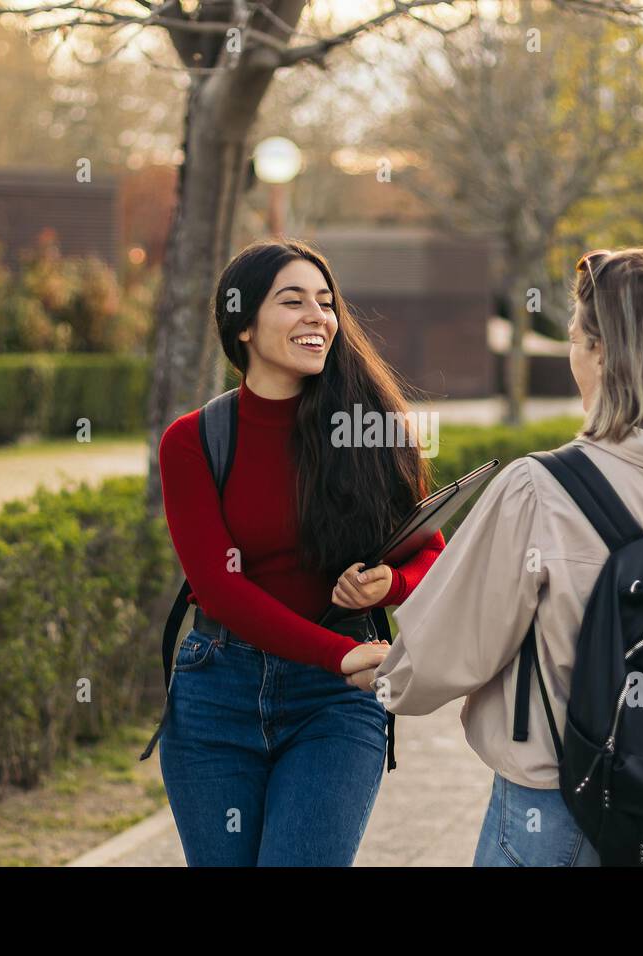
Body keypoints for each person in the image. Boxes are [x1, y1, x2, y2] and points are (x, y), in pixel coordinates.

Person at [353, 247, 643, 867]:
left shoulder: (541, 489)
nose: (575, 355)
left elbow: (455, 642)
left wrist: (388, 674)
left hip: (556, 802)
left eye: (578, 339)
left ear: (605, 354)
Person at [157, 238, 443, 866]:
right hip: (216, 696)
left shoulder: (373, 426)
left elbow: (431, 555)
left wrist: (387, 586)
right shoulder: (193, 442)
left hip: (334, 707)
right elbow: (220, 588)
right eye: (293, 301)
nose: (319, 316)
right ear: (244, 327)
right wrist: (343, 653)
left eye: (326, 301)